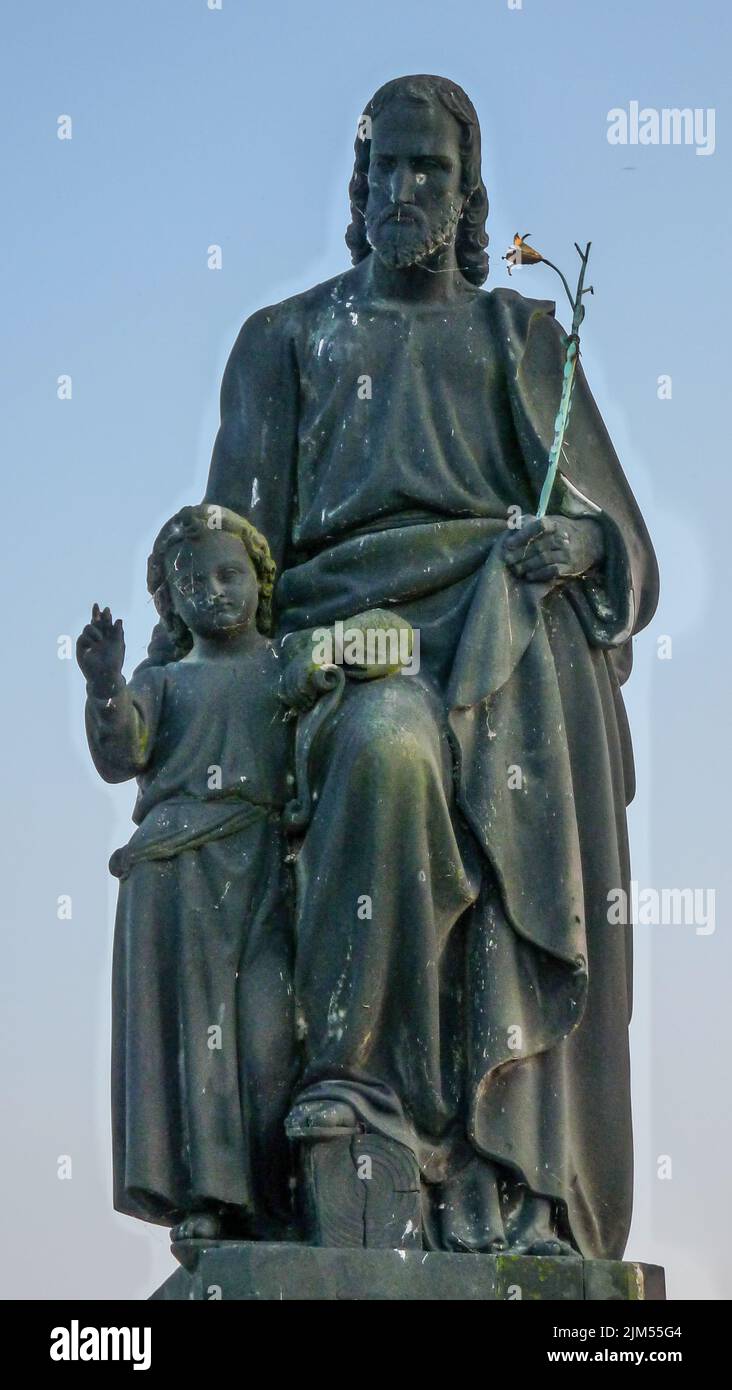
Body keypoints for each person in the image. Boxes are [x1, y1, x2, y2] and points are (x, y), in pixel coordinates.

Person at [180, 74, 659, 1258]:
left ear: (466, 189)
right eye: (385, 167)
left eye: (429, 170)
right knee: (392, 747)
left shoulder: (521, 336)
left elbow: (627, 550)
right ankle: (361, 1103)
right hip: (341, 657)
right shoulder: (284, 343)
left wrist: (578, 542)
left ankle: (512, 1165)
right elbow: (229, 564)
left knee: (520, 731)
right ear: (358, 185)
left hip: (502, 650)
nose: (405, 188)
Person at [77, 505, 297, 1240]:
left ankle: (278, 1193)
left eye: (231, 574)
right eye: (194, 581)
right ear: (171, 598)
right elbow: (123, 752)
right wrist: (105, 685)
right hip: (173, 877)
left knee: (268, 1032)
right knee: (196, 1035)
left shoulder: (284, 661)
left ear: (258, 579)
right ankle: (208, 1197)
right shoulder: (163, 677)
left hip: (261, 862)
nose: (217, 591)